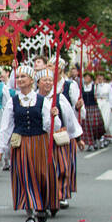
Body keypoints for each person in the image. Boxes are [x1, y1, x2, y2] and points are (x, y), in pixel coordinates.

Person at [0, 64, 58, 222]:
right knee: (24, 176)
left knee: (41, 175)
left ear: (32, 81)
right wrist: (1, 149)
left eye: (24, 77)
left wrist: (53, 116)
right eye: (18, 77)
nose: (20, 80)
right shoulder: (13, 102)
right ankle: (29, 212)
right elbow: (6, 126)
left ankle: (42, 206)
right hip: (21, 143)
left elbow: (51, 126)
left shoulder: (42, 101)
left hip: (39, 142)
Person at [39, 70, 82, 210]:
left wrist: (76, 137)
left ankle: (61, 195)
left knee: (61, 167)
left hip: (58, 136)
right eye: (44, 80)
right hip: (39, 138)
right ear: (38, 82)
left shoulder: (59, 98)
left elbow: (70, 119)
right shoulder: (34, 98)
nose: (48, 83)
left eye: (50, 80)